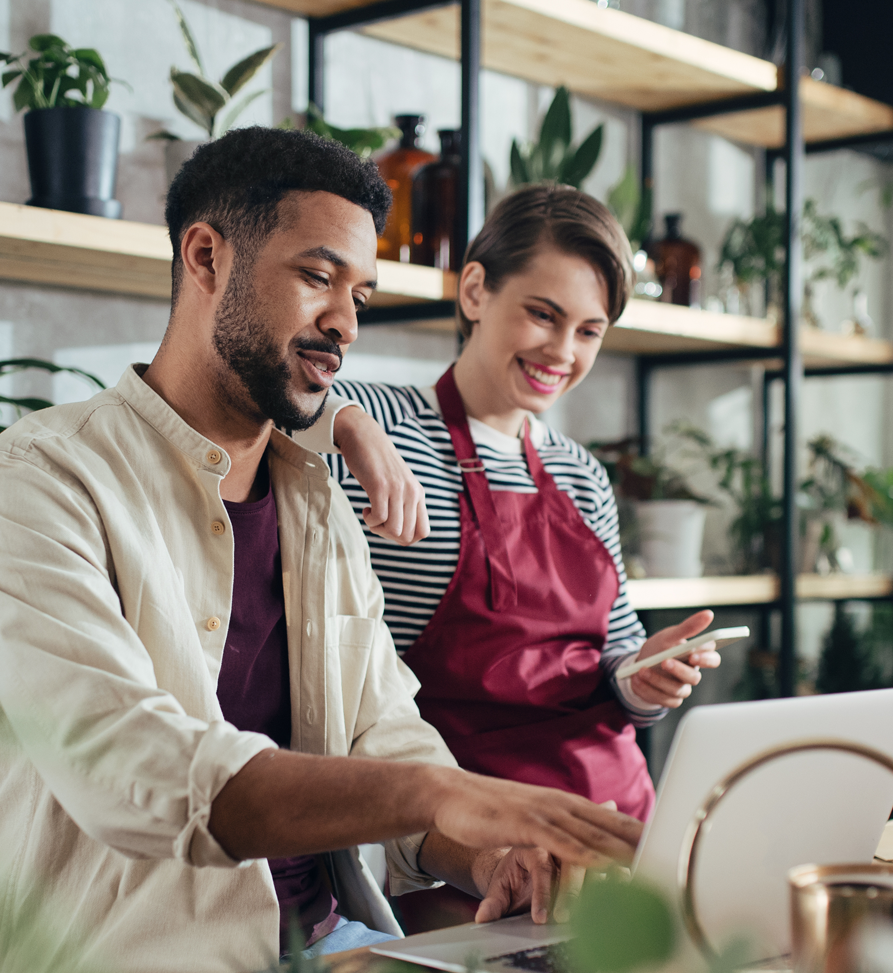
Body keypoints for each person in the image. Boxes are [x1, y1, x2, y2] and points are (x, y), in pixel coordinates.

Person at [0, 130, 642, 973]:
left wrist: (483, 855)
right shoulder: (36, 482)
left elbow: (384, 732)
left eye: (360, 295)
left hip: (329, 963)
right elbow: (131, 770)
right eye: (319, 278)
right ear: (206, 256)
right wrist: (447, 793)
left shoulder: (315, 499)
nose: (347, 325)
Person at [293, 185, 721, 925]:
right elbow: (261, 395)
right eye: (543, 315)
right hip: (472, 854)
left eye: (590, 331)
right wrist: (353, 428)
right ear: (475, 290)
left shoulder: (582, 473)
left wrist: (642, 678)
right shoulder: (386, 422)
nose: (562, 352)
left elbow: (611, 665)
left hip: (614, 831)